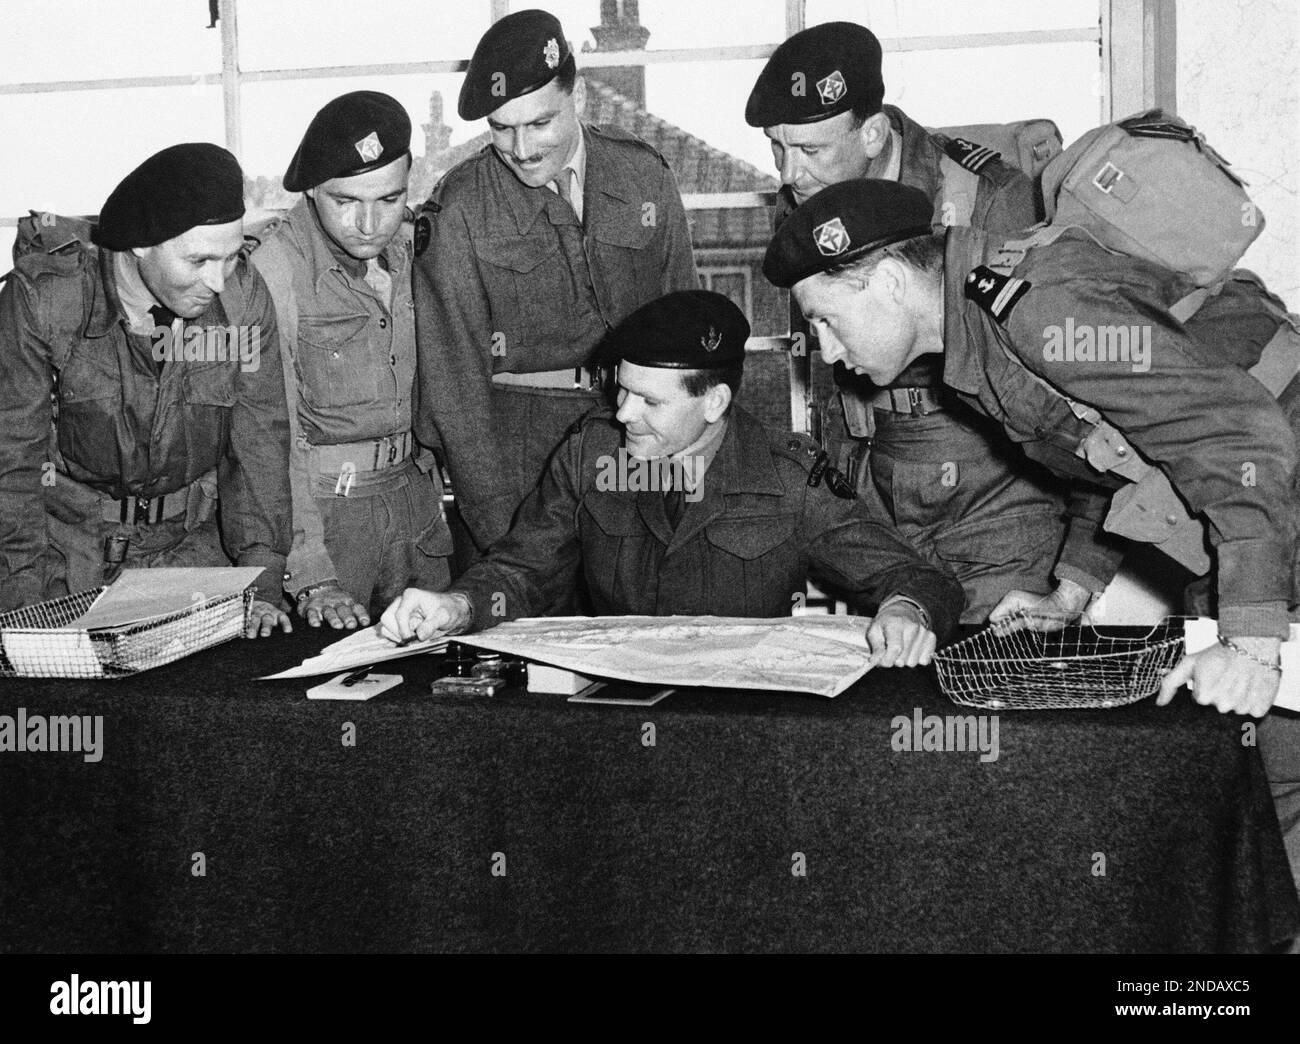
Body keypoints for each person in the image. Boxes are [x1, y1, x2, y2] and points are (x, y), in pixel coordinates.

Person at [764, 179, 1300, 891]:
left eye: (828, 321)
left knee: (1265, 793)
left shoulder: (1038, 311)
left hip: (1267, 509)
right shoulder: (982, 326)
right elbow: (1113, 450)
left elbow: (1241, 436)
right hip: (1252, 525)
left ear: (889, 281)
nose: (828, 353)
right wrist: (1071, 591)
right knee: (1251, 797)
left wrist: (1253, 641)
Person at [382, 290, 964, 665]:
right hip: (613, 712)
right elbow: (522, 569)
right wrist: (458, 604)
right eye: (622, 390)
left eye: (649, 402)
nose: (622, 414)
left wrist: (905, 610)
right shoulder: (591, 455)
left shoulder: (788, 478)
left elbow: (916, 577)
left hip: (736, 725)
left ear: (714, 403)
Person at [745, 20, 1067, 623]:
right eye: (777, 148)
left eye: (810, 149)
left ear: (872, 132)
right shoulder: (805, 201)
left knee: (994, 682)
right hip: (877, 480)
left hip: (992, 487)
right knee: (885, 686)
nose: (789, 174)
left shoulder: (986, 197)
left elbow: (1053, 381)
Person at [413, 8, 698, 557]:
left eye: (540, 123)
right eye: (501, 128)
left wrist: (679, 478)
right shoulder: (461, 207)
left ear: (581, 98)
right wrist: (507, 538)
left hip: (635, 453)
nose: (521, 149)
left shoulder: (644, 176)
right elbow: (453, 392)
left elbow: (684, 342)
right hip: (516, 472)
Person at [0, 143, 292, 637]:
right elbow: (12, 462)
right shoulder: (45, 301)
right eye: (198, 260)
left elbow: (260, 442)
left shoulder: (243, 297)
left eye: (230, 256)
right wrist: (24, 605)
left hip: (193, 561)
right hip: (67, 562)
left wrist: (262, 583)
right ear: (140, 244)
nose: (218, 282)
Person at [251, 91, 454, 629]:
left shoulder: (416, 250)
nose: (369, 224)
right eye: (346, 202)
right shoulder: (276, 270)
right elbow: (275, 440)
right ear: (313, 189)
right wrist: (311, 569)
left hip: (414, 509)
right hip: (328, 522)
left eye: (389, 200)